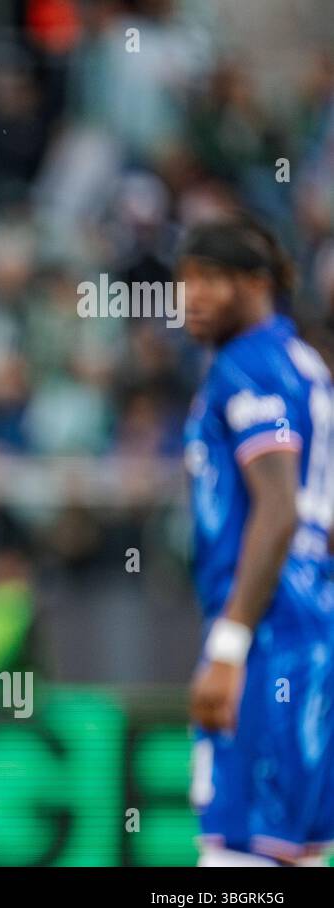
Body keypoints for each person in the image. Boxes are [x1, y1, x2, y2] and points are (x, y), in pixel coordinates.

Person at [179, 218, 334, 866]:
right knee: (290, 853)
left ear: (256, 283)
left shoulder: (248, 366)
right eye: (184, 283)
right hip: (311, 632)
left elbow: (277, 508)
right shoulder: (304, 363)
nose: (191, 298)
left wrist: (229, 646)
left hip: (269, 638)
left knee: (240, 863)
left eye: (211, 280)